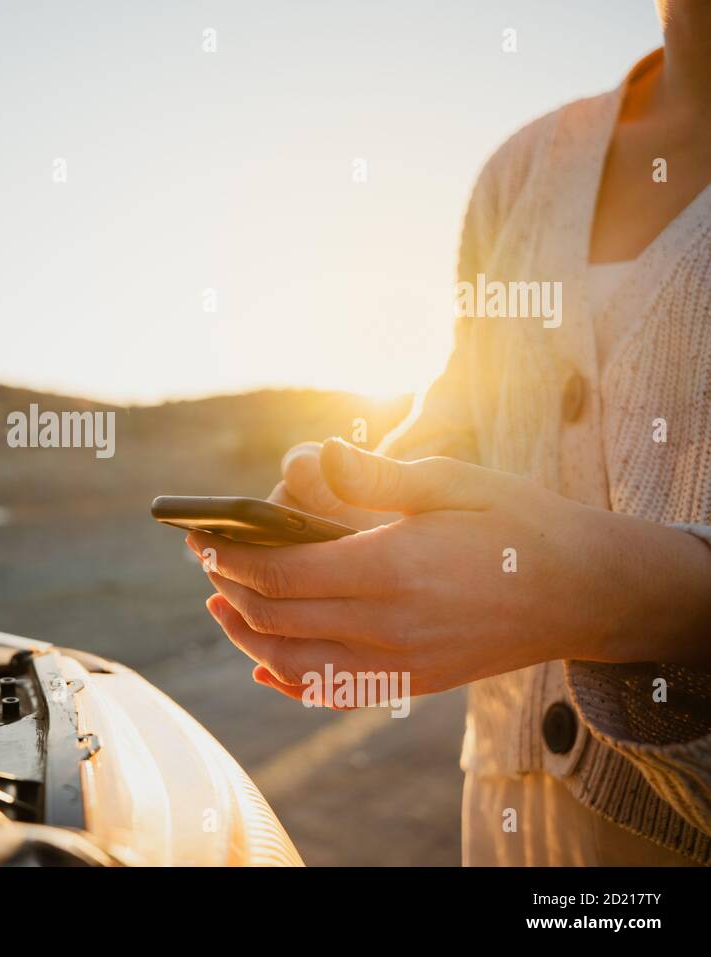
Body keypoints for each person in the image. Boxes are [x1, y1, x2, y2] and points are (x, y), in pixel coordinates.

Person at [192, 0, 711, 865]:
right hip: (509, 827)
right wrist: (352, 502)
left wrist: (602, 595)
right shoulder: (524, 170)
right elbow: (471, 408)